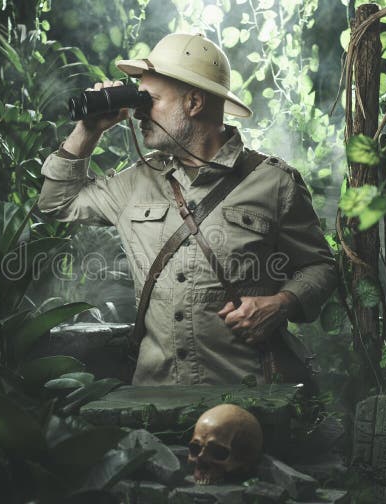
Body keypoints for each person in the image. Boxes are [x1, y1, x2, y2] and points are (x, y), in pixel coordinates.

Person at [38, 32, 336, 386]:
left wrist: (282, 303)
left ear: (194, 102)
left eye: (149, 100)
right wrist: (87, 131)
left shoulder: (274, 182)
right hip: (154, 396)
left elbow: (320, 267)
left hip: (247, 398)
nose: (138, 112)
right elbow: (57, 202)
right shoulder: (136, 182)